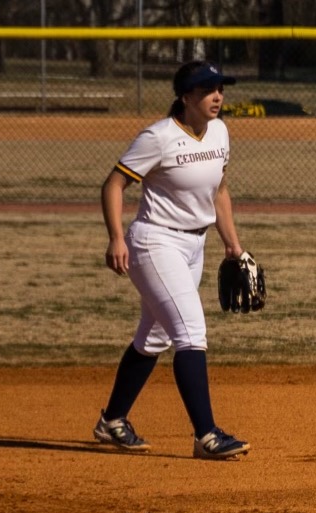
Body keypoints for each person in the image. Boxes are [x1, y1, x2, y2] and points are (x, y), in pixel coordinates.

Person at [94, 60, 251, 460]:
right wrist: (115, 237)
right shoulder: (159, 137)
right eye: (207, 90)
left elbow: (219, 192)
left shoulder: (219, 131)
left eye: (220, 88)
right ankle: (206, 436)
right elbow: (114, 184)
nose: (217, 96)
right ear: (185, 98)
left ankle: (112, 421)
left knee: (156, 337)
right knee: (190, 331)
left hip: (193, 247)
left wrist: (234, 245)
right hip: (154, 243)